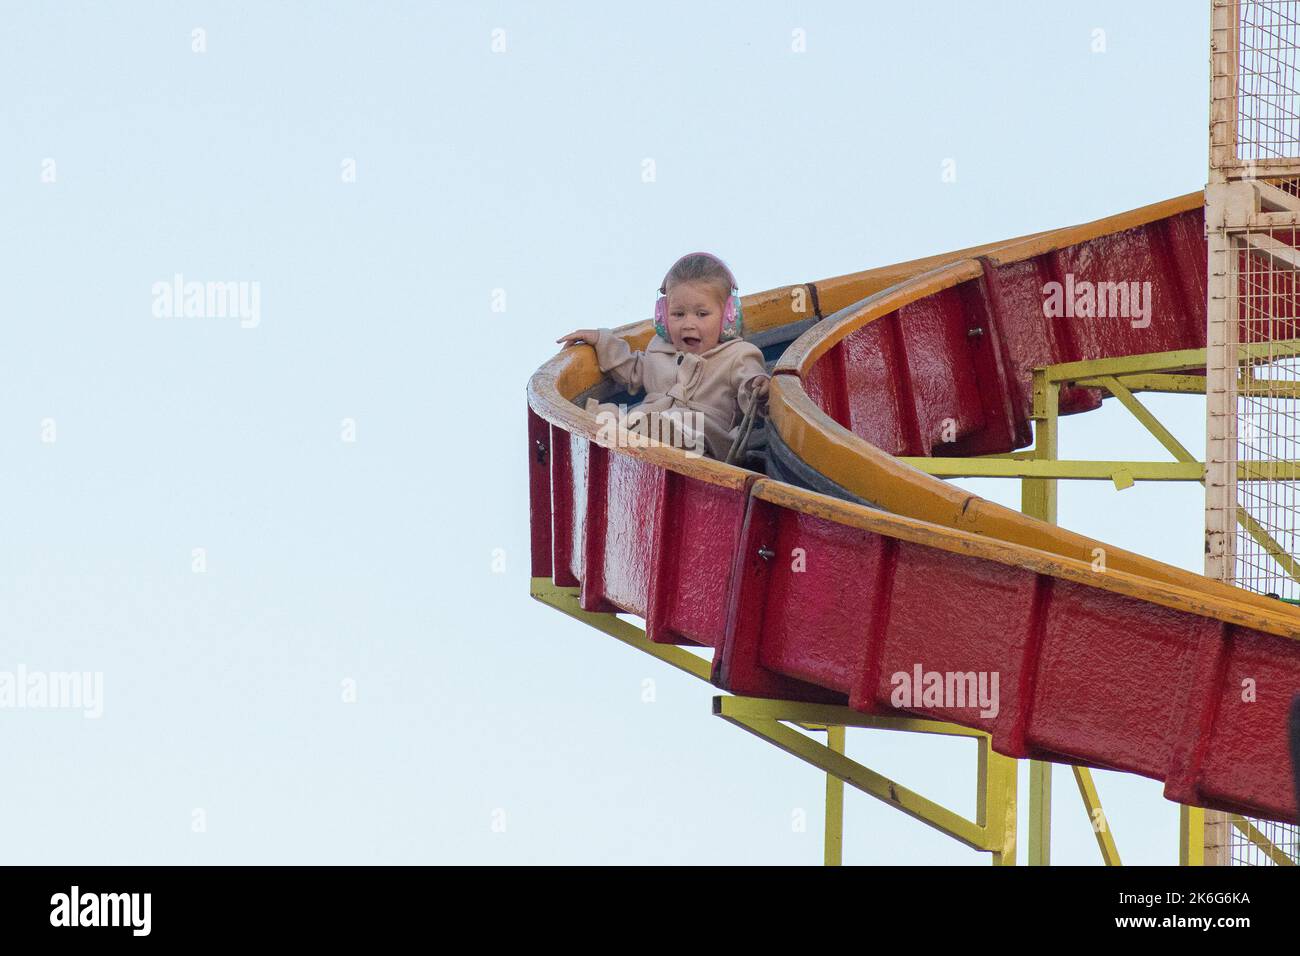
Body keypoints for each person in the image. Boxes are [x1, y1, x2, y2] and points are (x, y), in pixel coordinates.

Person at [556, 252, 770, 461]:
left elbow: (750, 388)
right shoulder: (659, 348)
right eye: (678, 314)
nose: (688, 323)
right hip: (650, 425)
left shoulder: (739, 355)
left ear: (728, 317)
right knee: (603, 415)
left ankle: (630, 434)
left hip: (707, 440)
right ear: (663, 317)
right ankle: (617, 440)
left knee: (659, 426)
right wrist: (600, 339)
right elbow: (632, 371)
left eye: (702, 314)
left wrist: (758, 388)